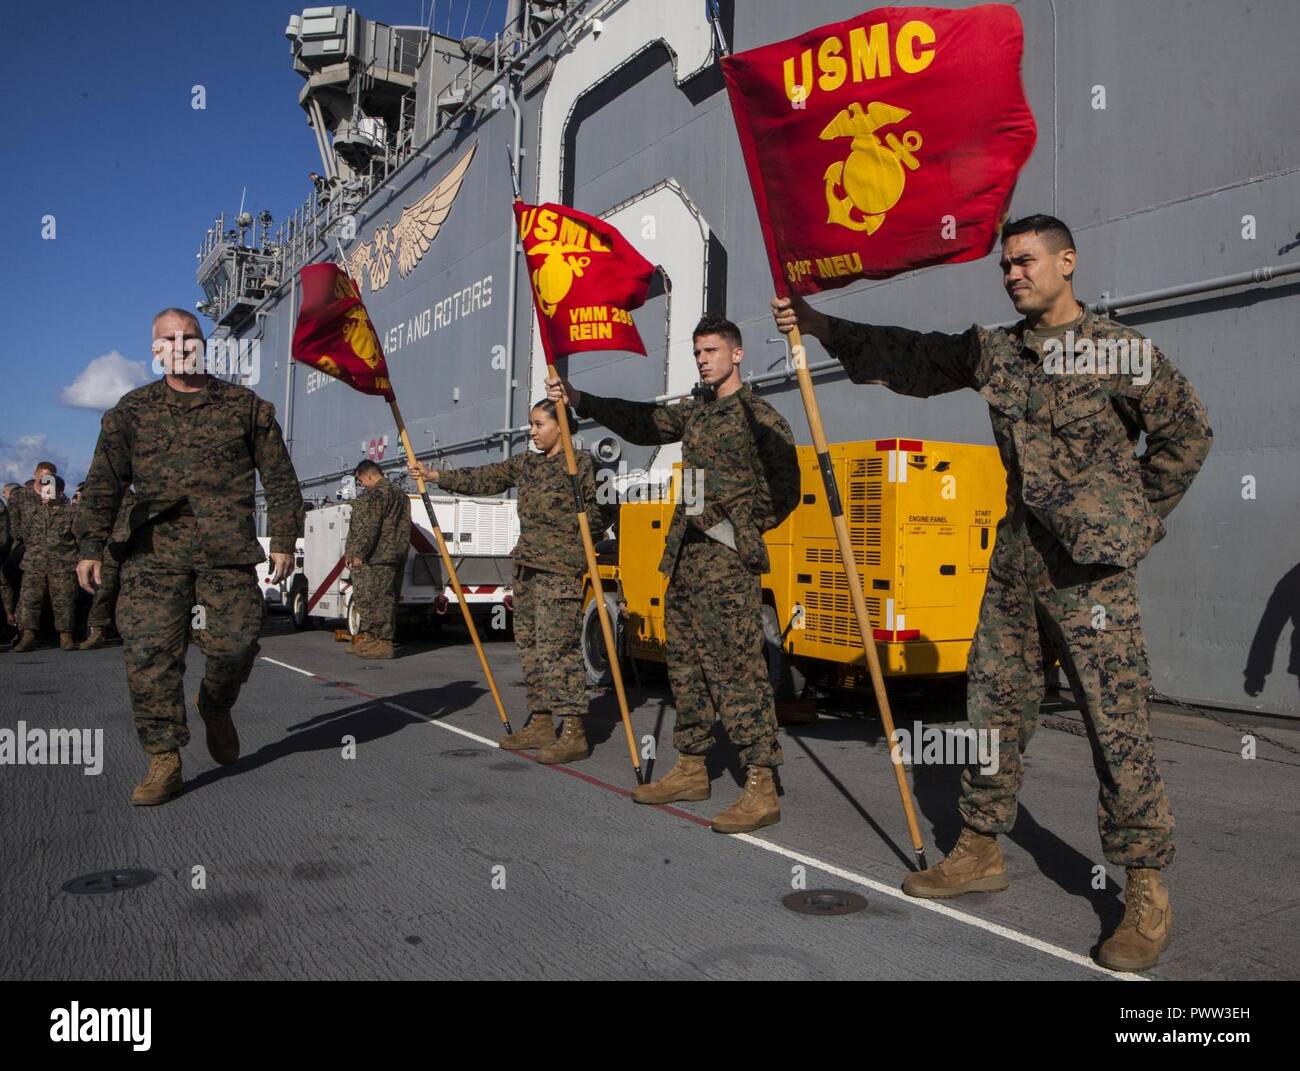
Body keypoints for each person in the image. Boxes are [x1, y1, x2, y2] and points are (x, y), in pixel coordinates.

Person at [773, 214, 1212, 971]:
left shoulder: (1118, 349)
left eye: (1027, 260)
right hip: (1014, 562)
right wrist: (818, 324)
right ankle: (979, 846)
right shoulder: (997, 351)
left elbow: (1189, 435)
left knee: (1118, 725)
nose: (1013, 273)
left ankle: (1144, 885)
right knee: (991, 706)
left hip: (1090, 572)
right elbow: (911, 355)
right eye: (1005, 264)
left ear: (1067, 262)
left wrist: (1126, 520)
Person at [548, 315, 801, 831]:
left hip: (728, 563)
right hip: (684, 558)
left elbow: (787, 486)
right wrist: (581, 400)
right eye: (697, 352)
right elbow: (642, 421)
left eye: (711, 350)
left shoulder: (761, 416)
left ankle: (761, 783)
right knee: (684, 667)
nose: (703, 359)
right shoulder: (695, 414)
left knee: (738, 670)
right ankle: (691, 765)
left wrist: (745, 526)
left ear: (737, 354)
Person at [76, 307, 304, 806]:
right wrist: (91, 546)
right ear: (155, 350)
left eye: (188, 336)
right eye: (166, 339)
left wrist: (284, 539)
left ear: (203, 343)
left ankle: (215, 704)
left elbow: (281, 479)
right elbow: (103, 483)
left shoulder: (246, 408)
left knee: (236, 645)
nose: (178, 345)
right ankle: (164, 759)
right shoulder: (130, 412)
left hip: (225, 551)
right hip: (152, 555)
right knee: (149, 655)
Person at [409, 399, 612, 764]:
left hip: (559, 570)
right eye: (530, 424)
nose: (532, 431)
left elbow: (606, 509)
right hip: (527, 569)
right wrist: (435, 476)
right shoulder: (528, 464)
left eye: (539, 424)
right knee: (531, 649)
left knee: (558, 651)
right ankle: (541, 720)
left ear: (561, 427)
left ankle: (574, 731)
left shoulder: (583, 466)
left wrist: (573, 538)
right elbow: (486, 477)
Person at [344, 460, 411, 660]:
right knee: (386, 597)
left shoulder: (378, 494)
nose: (362, 484)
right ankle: (372, 639)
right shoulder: (401, 495)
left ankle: (382, 643)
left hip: (380, 553)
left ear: (370, 475)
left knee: (377, 599)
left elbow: (371, 526)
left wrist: (359, 553)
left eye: (361, 480)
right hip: (396, 553)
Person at [14, 468, 79, 652]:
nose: (45, 493)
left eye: (48, 489)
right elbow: (25, 534)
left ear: (59, 492)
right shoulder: (33, 513)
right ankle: (28, 635)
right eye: (43, 489)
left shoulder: (71, 513)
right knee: (29, 600)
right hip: (35, 563)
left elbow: (78, 537)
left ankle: (66, 635)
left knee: (64, 600)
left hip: (63, 563)